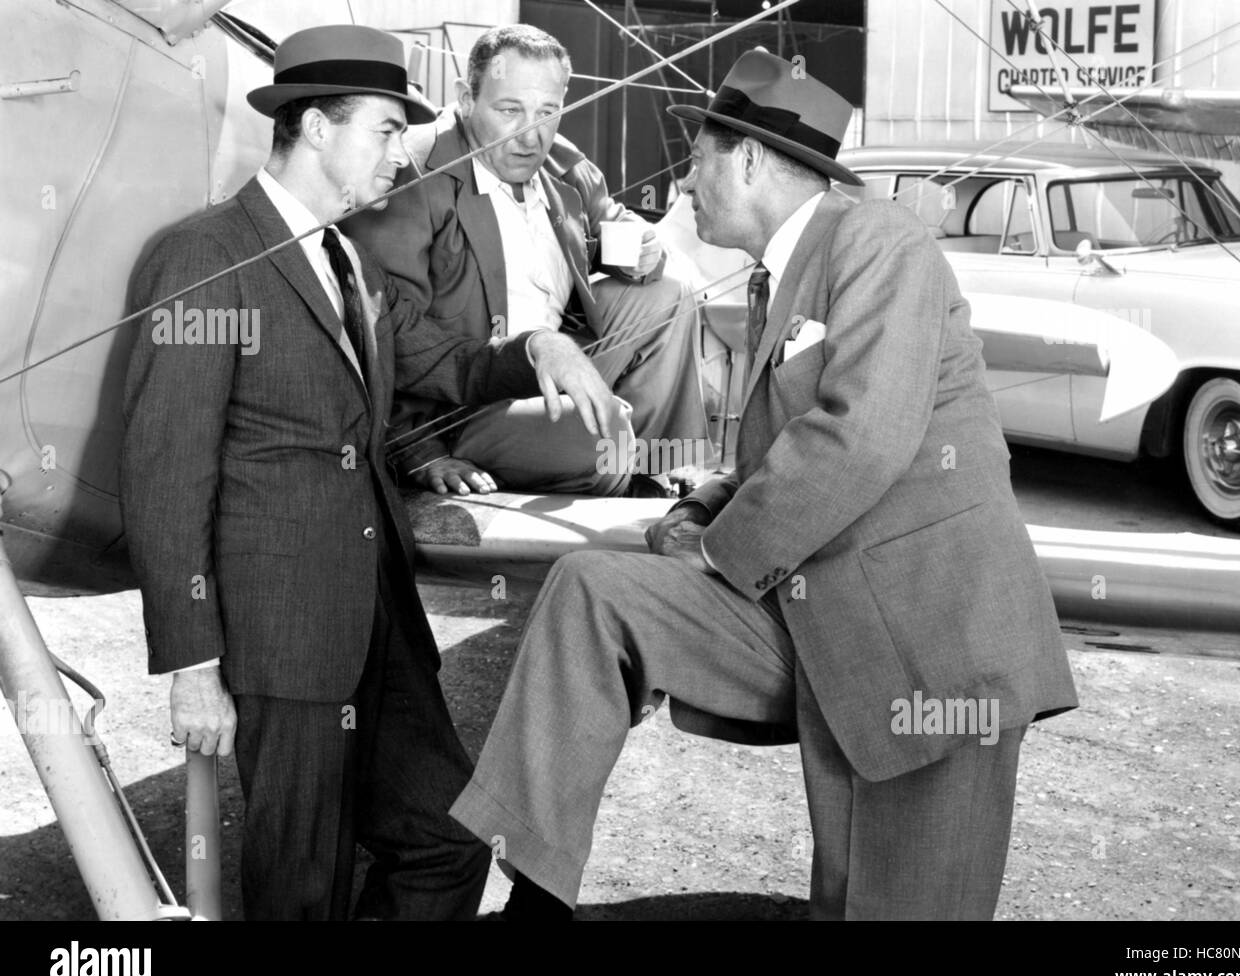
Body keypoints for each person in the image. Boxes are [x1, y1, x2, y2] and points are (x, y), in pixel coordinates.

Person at [447, 50, 1079, 920]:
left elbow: (859, 440)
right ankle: (536, 892)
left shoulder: (880, 242)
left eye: (697, 157)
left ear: (746, 159)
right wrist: (697, 509)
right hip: (819, 617)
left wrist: (716, 547)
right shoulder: (781, 275)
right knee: (596, 592)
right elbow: (769, 459)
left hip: (933, 653)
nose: (685, 181)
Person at [119, 24, 618, 921]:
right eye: (386, 130)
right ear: (314, 127)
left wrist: (535, 346)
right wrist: (192, 661)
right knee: (300, 883)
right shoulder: (206, 261)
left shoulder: (346, 256)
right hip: (284, 630)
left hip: (379, 618)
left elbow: (438, 366)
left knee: (448, 837)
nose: (403, 151)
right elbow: (166, 470)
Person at [343, 24, 709, 497]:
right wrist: (420, 453)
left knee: (668, 295)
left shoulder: (563, 166)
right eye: (509, 110)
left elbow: (619, 228)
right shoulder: (411, 173)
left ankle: (656, 473)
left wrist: (645, 248)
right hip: (467, 402)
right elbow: (378, 334)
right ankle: (620, 467)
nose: (530, 135)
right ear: (466, 98)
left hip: (554, 364)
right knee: (606, 432)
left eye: (548, 111)